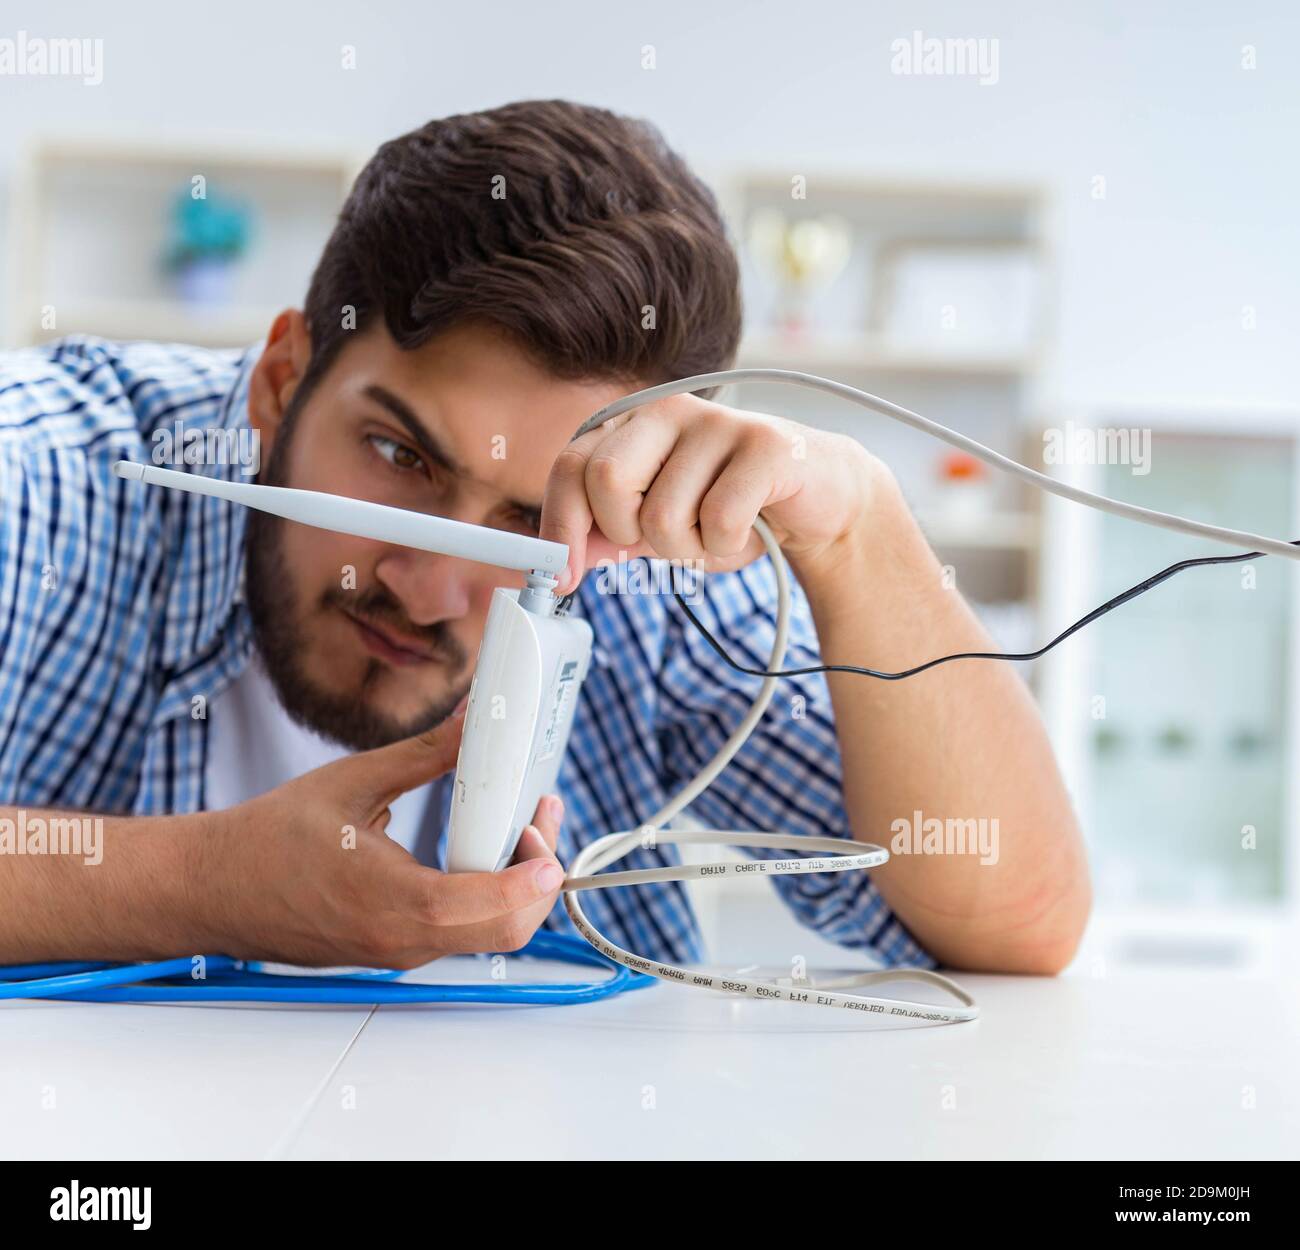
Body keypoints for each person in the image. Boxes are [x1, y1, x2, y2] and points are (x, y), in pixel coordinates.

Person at [0, 99, 1089, 975]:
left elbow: (1017, 919)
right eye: (398, 456)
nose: (429, 586)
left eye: (529, 521)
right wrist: (200, 883)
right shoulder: (42, 474)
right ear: (284, 378)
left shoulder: (654, 554)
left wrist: (861, 529)